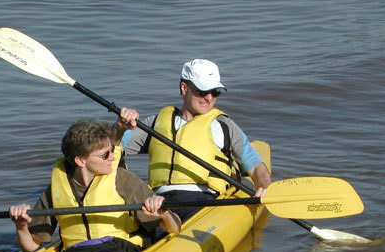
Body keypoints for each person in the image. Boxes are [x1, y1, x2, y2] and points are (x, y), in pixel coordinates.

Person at [9, 119, 181, 252]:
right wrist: (21, 225)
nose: (112, 157)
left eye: (112, 150)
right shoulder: (55, 190)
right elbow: (30, 246)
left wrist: (163, 213)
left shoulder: (123, 180)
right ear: (80, 161)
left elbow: (174, 229)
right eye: (105, 155)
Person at [114, 58, 272, 221]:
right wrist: (121, 126)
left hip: (203, 201)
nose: (209, 98)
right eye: (203, 91)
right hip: (158, 202)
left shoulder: (224, 126)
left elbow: (256, 168)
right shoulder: (155, 123)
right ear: (184, 88)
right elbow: (110, 147)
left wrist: (263, 188)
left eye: (215, 92)